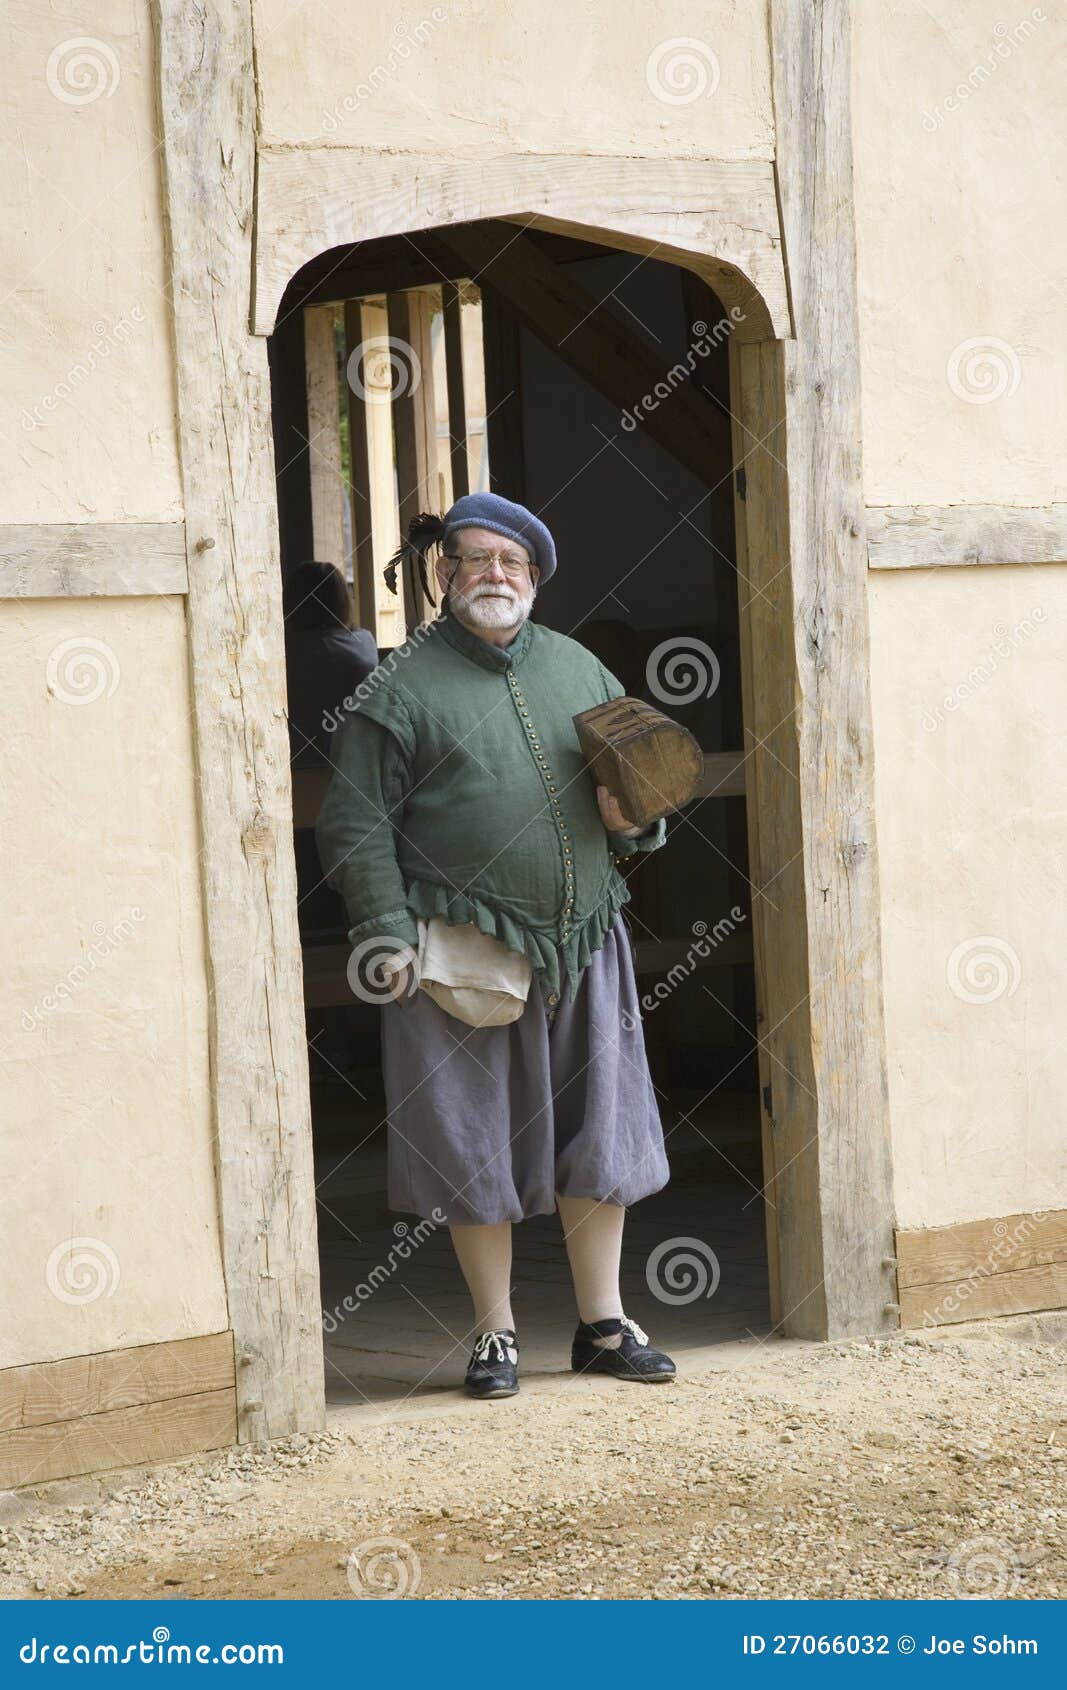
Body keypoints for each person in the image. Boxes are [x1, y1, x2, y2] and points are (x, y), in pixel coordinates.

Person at [315, 493, 675, 1398]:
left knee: (601, 1131)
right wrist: (386, 932)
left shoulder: (580, 669)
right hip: (460, 952)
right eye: (473, 561)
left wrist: (632, 826)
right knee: (472, 1141)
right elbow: (356, 824)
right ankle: (494, 1334)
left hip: (585, 938)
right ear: (445, 576)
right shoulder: (396, 688)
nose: (493, 577)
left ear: (536, 580)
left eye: (511, 564)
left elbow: (635, 795)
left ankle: (602, 1323)